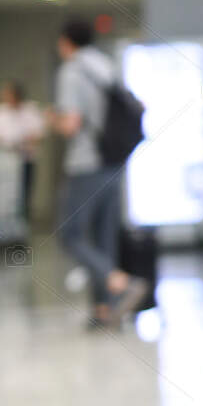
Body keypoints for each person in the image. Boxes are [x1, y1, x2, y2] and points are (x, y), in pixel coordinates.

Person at [52, 19, 147, 329]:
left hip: (87, 163)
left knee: (71, 234)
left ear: (66, 42)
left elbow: (71, 125)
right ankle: (105, 309)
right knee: (104, 235)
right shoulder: (105, 65)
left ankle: (119, 282)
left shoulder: (71, 71)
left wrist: (50, 118)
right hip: (115, 162)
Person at [0, 81, 45, 220]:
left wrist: (21, 141)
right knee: (3, 196)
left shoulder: (31, 110)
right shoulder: (0, 111)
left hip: (25, 160)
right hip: (4, 161)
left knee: (23, 194)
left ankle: (22, 227)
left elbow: (38, 135)